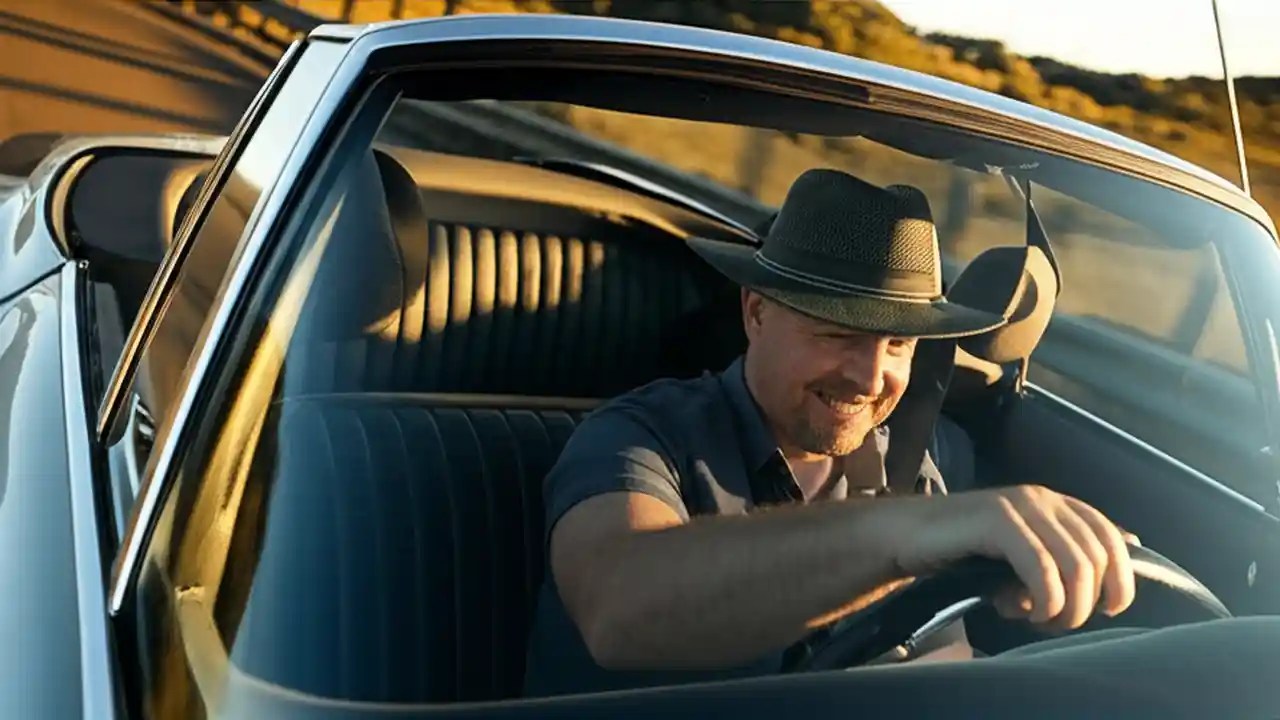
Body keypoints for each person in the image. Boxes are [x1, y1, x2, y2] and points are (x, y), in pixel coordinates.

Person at [521, 168, 1141, 697]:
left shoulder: (907, 462)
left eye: (898, 343)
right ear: (756, 313)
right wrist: (908, 535)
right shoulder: (642, 437)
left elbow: (938, 665)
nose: (870, 377)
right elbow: (621, 609)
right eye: (837, 333)